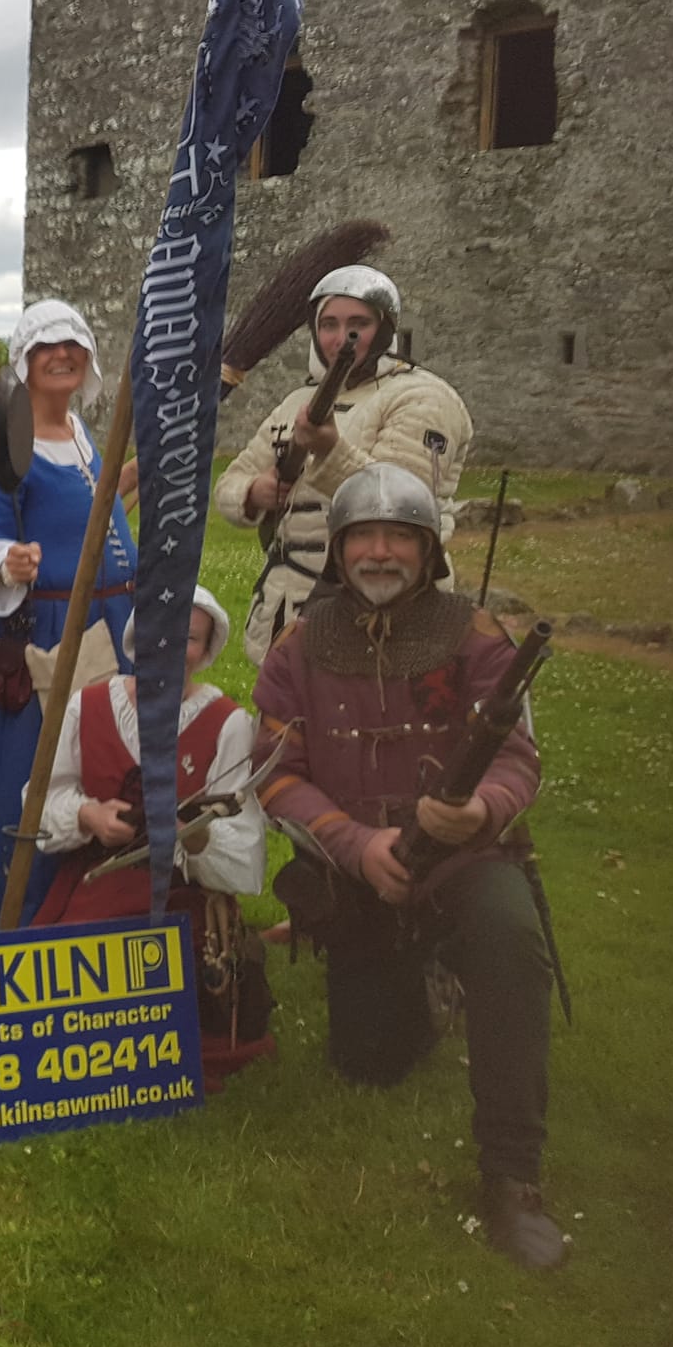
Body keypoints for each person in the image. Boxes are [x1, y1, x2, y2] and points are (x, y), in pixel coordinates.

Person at [252, 462, 565, 1270]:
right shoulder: (297, 649)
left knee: (506, 940)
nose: (381, 553)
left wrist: (480, 811)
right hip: (360, 875)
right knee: (369, 1065)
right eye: (365, 537)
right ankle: (422, 978)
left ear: (428, 551)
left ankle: (513, 1181)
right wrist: (356, 847)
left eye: (400, 537)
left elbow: (518, 759)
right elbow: (276, 773)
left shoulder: (477, 637)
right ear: (340, 549)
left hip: (463, 858)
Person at [28, 587, 273, 1089]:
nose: (170, 644)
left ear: (205, 651)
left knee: (173, 1011)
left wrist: (191, 838)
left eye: (189, 637)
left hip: (182, 894)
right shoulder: (87, 705)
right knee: (61, 1002)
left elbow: (246, 855)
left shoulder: (227, 723)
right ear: (138, 637)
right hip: (97, 881)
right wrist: (88, 815)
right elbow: (42, 798)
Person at [0, 300, 136, 933]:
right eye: (47, 346)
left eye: (74, 345)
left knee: (107, 763)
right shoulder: (0, 446)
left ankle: (96, 901)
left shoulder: (84, 436)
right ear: (26, 361)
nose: (63, 355)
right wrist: (12, 563)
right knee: (38, 769)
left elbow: (93, 504)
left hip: (116, 627)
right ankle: (16, 915)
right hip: (52, 636)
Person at [213, 264, 474, 664]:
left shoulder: (423, 397)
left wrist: (330, 449)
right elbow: (233, 479)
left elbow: (404, 505)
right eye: (329, 324)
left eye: (358, 324)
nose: (340, 338)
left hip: (383, 600)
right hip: (289, 599)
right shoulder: (294, 402)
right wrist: (253, 493)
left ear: (384, 328)